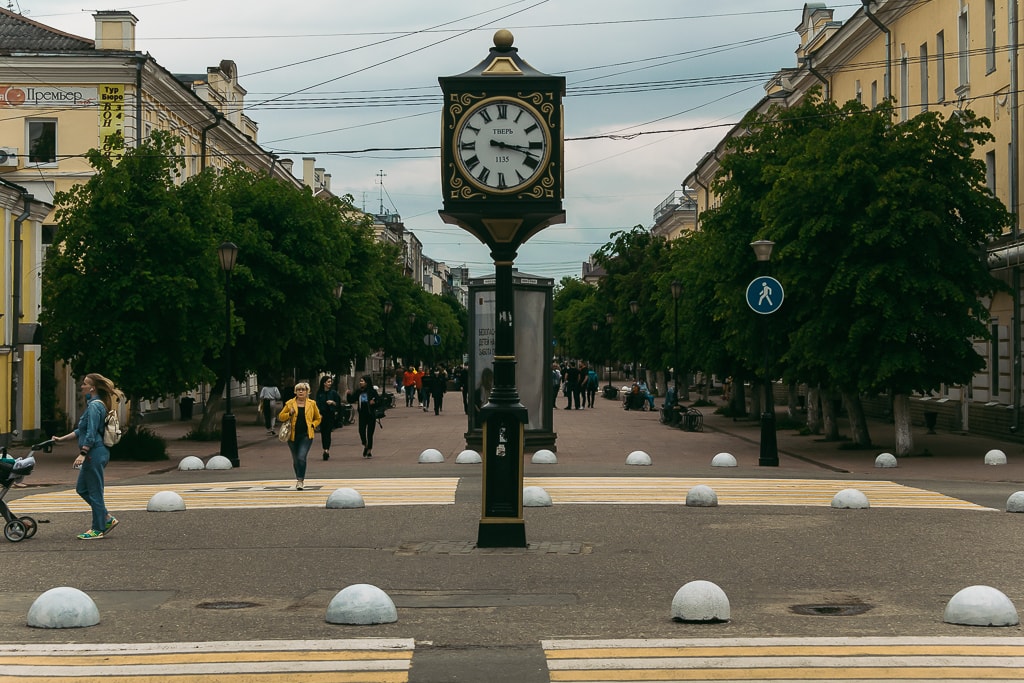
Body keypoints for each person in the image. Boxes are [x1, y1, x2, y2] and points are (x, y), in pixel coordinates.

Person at [54, 373, 119, 539]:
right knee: (82, 489)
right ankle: (106, 518)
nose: (82, 386)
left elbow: (90, 434)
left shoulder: (94, 407)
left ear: (93, 388)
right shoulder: (94, 405)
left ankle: (98, 529)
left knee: (95, 491)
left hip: (94, 453)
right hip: (95, 451)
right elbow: (80, 430)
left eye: (85, 384)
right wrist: (61, 439)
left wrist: (83, 453)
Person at [277, 381, 321, 490]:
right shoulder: (290, 403)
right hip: (292, 436)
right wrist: (289, 413)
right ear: (295, 392)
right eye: (298, 390)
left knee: (301, 457)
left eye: (303, 390)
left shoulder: (312, 404)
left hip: (306, 435)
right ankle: (298, 476)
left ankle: (300, 480)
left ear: (307, 392)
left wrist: (312, 425)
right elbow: (281, 417)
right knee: (296, 459)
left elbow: (318, 418)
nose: (301, 392)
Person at [347, 375, 380, 458]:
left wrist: (374, 402)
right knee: (361, 431)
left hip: (371, 415)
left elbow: (379, 401)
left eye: (362, 381)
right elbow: (351, 400)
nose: (360, 382)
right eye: (360, 381)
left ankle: (369, 450)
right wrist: (348, 394)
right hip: (362, 415)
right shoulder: (359, 392)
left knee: (370, 433)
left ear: (367, 383)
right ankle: (365, 444)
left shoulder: (372, 391)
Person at [315, 376, 341, 461]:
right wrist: (318, 413)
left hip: (330, 414)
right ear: (324, 383)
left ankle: (326, 450)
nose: (330, 383)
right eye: (328, 382)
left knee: (328, 432)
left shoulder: (333, 393)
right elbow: (317, 404)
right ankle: (324, 448)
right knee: (323, 432)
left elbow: (338, 404)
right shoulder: (319, 393)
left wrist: (333, 402)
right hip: (322, 415)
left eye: (330, 382)